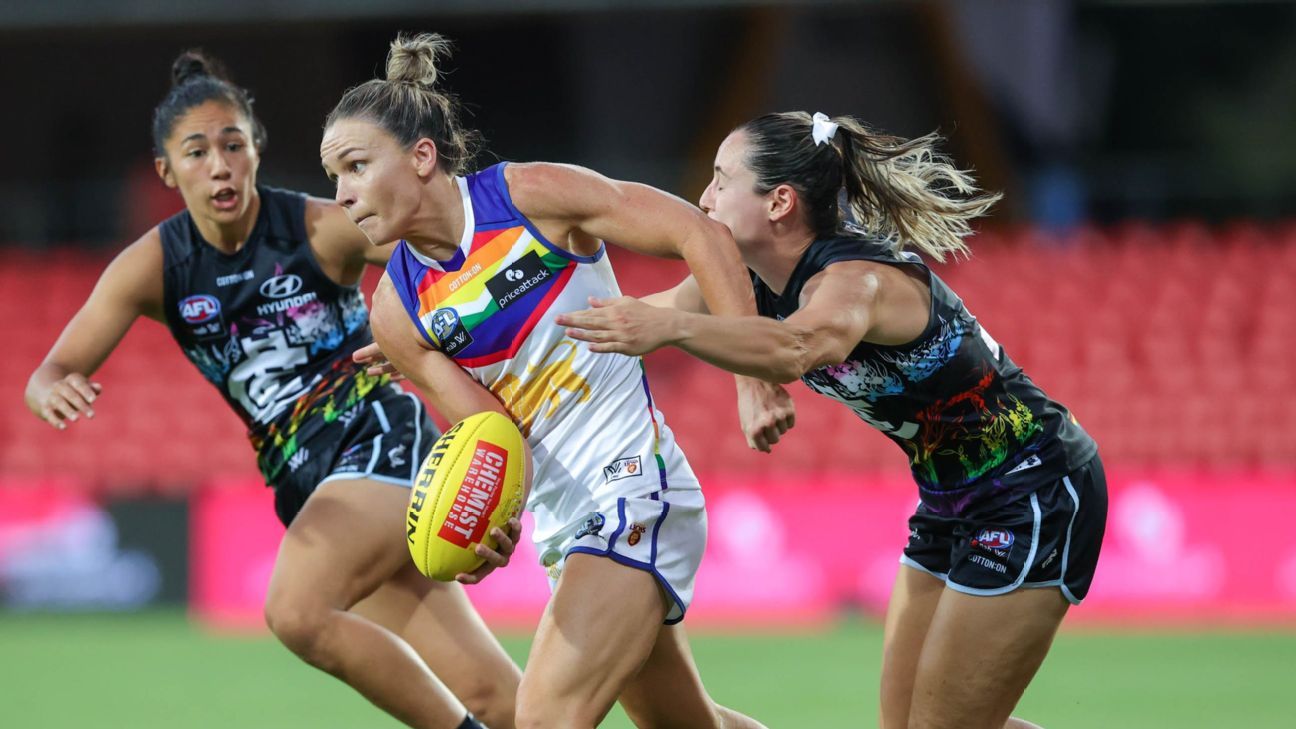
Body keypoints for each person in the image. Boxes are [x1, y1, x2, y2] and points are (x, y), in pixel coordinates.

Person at [556, 111, 1107, 729]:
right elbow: (626, 317)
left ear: (779, 202)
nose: (703, 199)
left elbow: (795, 349)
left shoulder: (856, 280)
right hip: (950, 500)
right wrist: (485, 340)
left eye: (720, 179)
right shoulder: (755, 279)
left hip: (1035, 488)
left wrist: (674, 329)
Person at [24, 50, 521, 729]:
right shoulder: (153, 266)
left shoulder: (318, 229)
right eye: (196, 151)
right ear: (168, 171)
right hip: (310, 485)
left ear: (257, 149)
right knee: (504, 700)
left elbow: (442, 245)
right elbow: (52, 369)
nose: (220, 164)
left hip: (375, 439)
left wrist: (438, 329)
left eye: (234, 143)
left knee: (296, 610)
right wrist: (51, 388)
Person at [328, 33, 767, 729]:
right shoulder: (395, 309)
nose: (343, 195)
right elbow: (494, 441)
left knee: (541, 719)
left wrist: (754, 373)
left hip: (634, 484)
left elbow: (700, 233)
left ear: (421, 157)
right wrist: (487, 529)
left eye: (355, 166)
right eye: (335, 179)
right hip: (567, 524)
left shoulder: (529, 196)